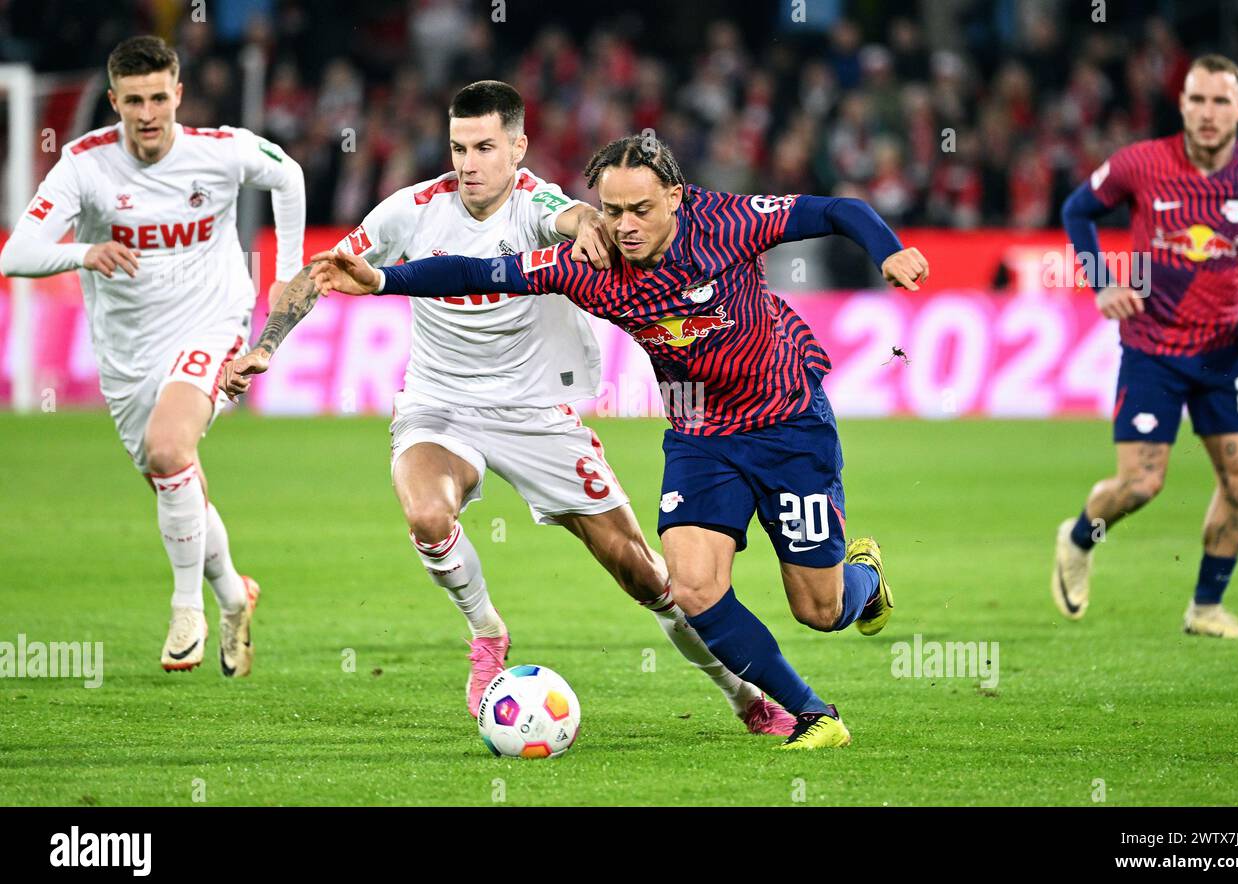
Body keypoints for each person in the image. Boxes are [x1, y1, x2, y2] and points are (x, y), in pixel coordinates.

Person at [308, 134, 931, 749]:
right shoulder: (588, 264)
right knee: (693, 589)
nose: (625, 226)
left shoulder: (729, 221)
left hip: (787, 423)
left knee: (819, 611)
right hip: (700, 435)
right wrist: (382, 280)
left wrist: (889, 251)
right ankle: (812, 713)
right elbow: (479, 271)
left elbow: (838, 210)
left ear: (676, 198)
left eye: (641, 209)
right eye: (611, 210)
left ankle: (864, 580)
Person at [221, 82, 793, 734]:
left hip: (534, 413)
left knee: (645, 575)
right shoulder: (410, 210)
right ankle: (487, 631)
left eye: (485, 147)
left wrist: (590, 225)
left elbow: (572, 216)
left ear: (517, 148)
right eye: (459, 147)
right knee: (427, 515)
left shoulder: (534, 202)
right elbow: (322, 271)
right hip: (440, 405)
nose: (469, 163)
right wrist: (265, 346)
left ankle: (744, 695)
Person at [0, 36, 307, 674]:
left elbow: (288, 174)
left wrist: (287, 272)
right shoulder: (84, 166)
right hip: (128, 352)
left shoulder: (219, 150)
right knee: (175, 479)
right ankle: (234, 595)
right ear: (114, 101)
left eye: (159, 98)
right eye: (134, 101)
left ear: (178, 95)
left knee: (169, 450)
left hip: (212, 324)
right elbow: (17, 254)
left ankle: (186, 608)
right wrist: (84, 251)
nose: (148, 113)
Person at [1052, 54, 1238, 637]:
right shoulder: (1142, 163)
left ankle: (1206, 608)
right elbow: (1077, 210)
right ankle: (1079, 538)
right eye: (1198, 100)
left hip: (1223, 351)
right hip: (1152, 347)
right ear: (1182, 105)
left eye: (1221, 101)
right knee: (1141, 485)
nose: (1209, 113)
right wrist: (1103, 282)